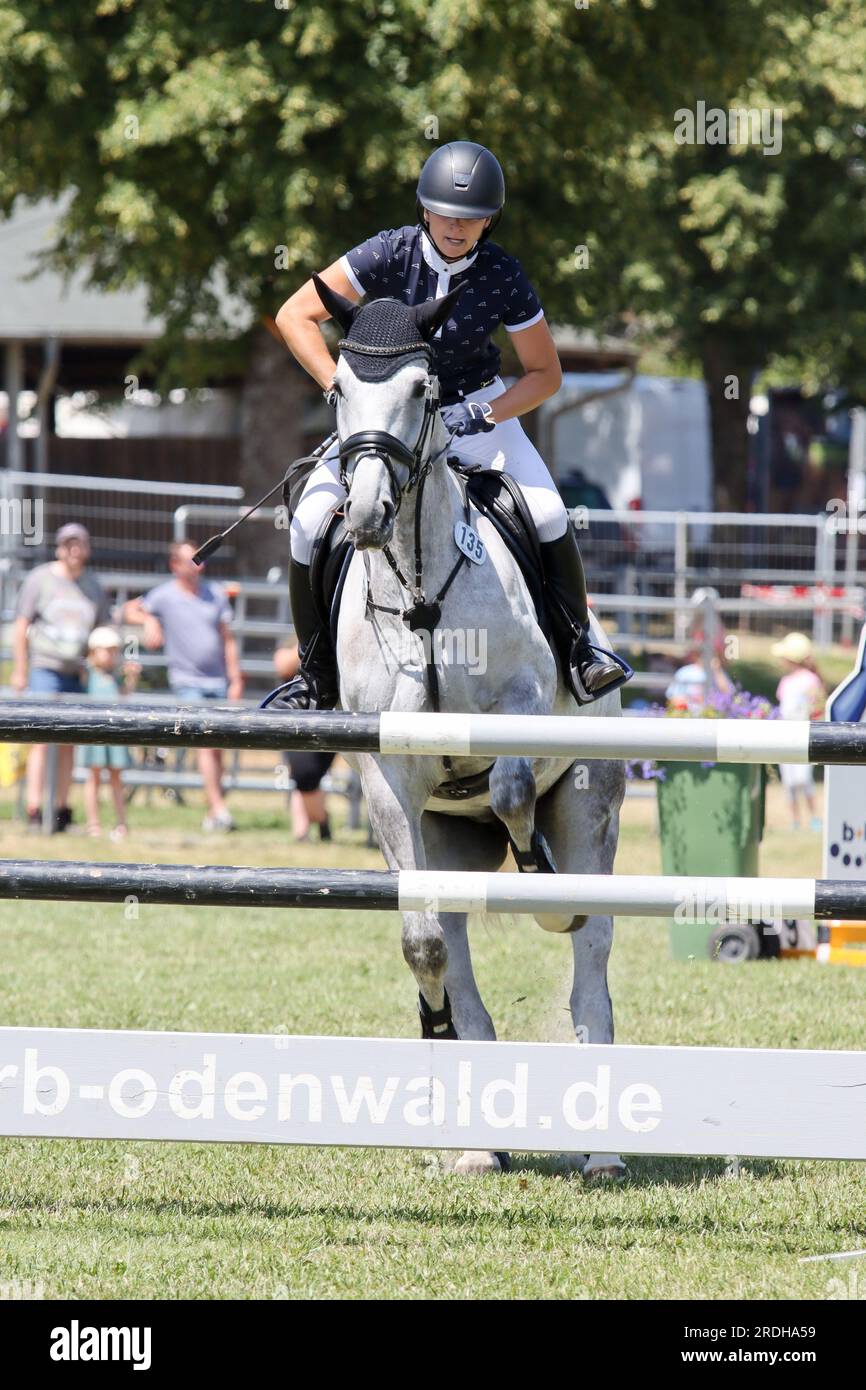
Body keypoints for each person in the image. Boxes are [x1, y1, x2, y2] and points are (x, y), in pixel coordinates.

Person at [272, 139, 630, 710]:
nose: (457, 226)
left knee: (547, 512)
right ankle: (315, 678)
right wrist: (338, 387)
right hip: (387, 414)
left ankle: (579, 653)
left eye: (471, 217)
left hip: (472, 410)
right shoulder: (386, 255)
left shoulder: (501, 275)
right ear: (424, 209)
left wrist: (482, 412)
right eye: (445, 212)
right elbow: (295, 315)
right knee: (310, 519)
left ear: (489, 220)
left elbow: (545, 374)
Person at [123, 542, 244, 831]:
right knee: (204, 742)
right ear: (174, 566)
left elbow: (227, 639)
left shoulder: (214, 593)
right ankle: (218, 808)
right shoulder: (164, 595)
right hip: (187, 681)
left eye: (199, 558)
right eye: (191, 559)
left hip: (217, 681)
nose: (197, 564)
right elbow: (128, 609)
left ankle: (214, 810)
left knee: (218, 747)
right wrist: (149, 618)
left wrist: (236, 678)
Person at [11, 522, 112, 832]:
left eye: (78, 544)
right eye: (68, 544)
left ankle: (61, 810)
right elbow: (21, 625)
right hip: (44, 667)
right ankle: (34, 809)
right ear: (59, 547)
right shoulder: (40, 579)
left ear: (87, 548)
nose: (73, 550)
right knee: (42, 739)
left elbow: (103, 628)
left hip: (76, 671)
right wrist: (20, 668)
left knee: (70, 740)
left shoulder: (93, 584)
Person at [77, 626, 140, 840]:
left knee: (116, 778)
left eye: (114, 651)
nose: (112, 655)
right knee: (93, 777)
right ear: (94, 651)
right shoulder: (88, 675)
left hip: (114, 733)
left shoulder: (117, 677)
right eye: (107, 650)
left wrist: (131, 678)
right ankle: (93, 824)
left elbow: (124, 696)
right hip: (94, 732)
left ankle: (121, 822)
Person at [274, 641, 334, 841]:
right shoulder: (305, 636)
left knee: (307, 774)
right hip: (296, 712)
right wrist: (309, 645)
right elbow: (282, 664)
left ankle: (319, 819)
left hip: (326, 710)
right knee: (301, 774)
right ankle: (303, 831)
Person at [772, 631, 825, 831]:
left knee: (803, 779)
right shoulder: (785, 682)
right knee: (789, 782)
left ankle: (813, 817)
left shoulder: (810, 680)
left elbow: (816, 706)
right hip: (785, 735)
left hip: (803, 735)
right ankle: (795, 820)